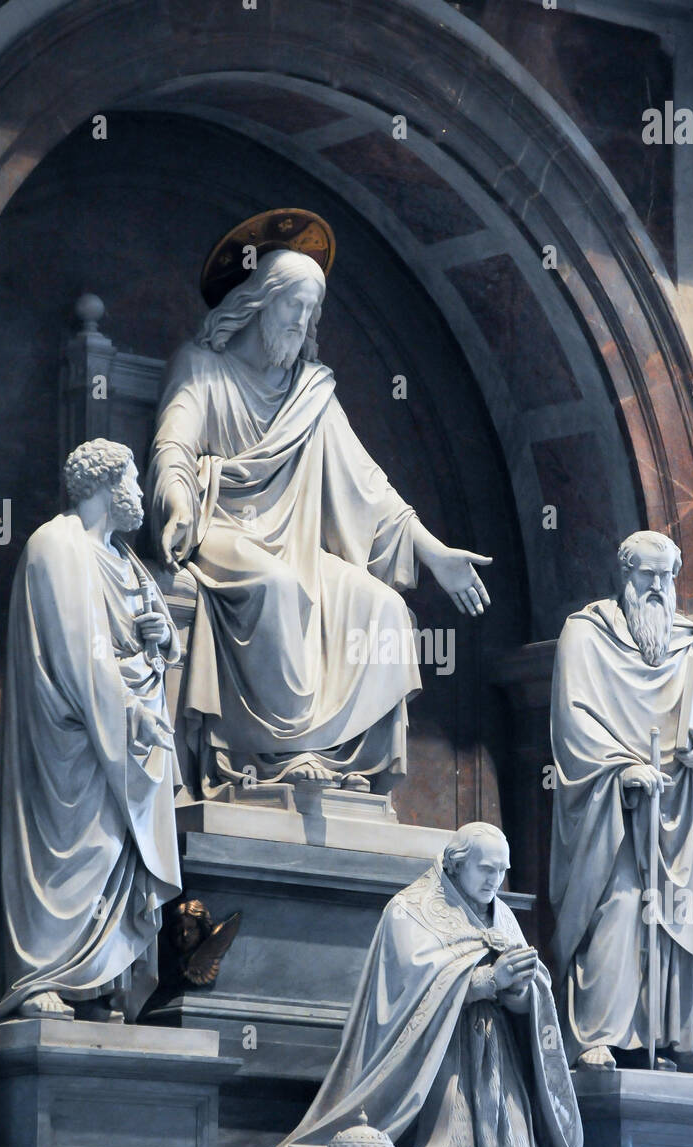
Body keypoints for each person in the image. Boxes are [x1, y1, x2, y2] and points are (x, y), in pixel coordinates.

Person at [147, 237, 492, 796]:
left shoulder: (311, 392)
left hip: (301, 543)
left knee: (382, 607)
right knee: (277, 587)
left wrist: (434, 553)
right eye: (293, 305)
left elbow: (369, 484)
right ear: (261, 300)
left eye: (312, 310)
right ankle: (267, 758)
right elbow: (173, 446)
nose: (302, 320)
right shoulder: (202, 368)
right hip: (226, 530)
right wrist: (177, 499)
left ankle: (338, 767)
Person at [220, 822, 624, 1147]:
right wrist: (484, 981)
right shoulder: (409, 910)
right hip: (436, 1064)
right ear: (455, 863)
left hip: (499, 1068)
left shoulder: (502, 915)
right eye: (485, 869)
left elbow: (526, 995)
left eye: (502, 871)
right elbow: (406, 994)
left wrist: (522, 988)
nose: (494, 881)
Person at [0, 440, 181, 1023]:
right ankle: (39, 972)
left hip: (127, 741)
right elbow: (76, 656)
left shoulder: (125, 559)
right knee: (63, 851)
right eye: (134, 481)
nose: (141, 494)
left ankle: (97, 981)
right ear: (106, 485)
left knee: (115, 848)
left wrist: (161, 647)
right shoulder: (55, 546)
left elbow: (150, 646)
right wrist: (127, 711)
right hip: (69, 740)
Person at [549, 530, 693, 1069]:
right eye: (648, 576)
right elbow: (573, 724)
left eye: (668, 576)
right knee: (617, 914)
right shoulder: (585, 635)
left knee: (677, 918)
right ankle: (599, 1033)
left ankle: (664, 1040)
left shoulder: (690, 643)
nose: (659, 587)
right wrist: (623, 772)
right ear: (625, 575)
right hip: (613, 811)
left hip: (682, 814)